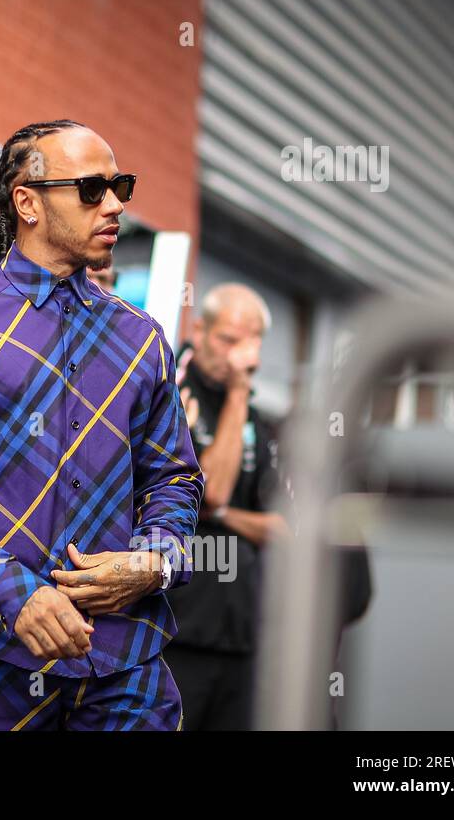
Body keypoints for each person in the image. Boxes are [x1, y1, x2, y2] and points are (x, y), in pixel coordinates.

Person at [0, 119, 203, 730]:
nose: (114, 205)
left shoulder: (142, 339)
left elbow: (175, 480)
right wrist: (18, 595)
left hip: (127, 662)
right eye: (91, 189)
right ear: (27, 202)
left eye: (120, 186)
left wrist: (155, 562)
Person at [163, 283, 288, 729]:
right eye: (227, 339)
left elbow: (280, 527)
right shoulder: (172, 392)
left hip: (241, 636)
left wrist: (220, 517)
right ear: (200, 329)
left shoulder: (256, 418)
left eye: (249, 343)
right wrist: (238, 392)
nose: (239, 355)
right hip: (180, 631)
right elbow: (212, 489)